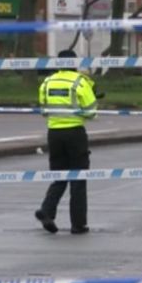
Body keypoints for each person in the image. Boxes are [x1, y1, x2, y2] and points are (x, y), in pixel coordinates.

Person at [35, 49, 98, 234]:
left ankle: (47, 211)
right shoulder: (80, 82)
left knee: (59, 176)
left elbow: (44, 110)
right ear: (75, 63)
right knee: (78, 179)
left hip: (53, 133)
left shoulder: (47, 82)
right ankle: (78, 224)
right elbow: (91, 111)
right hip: (75, 133)